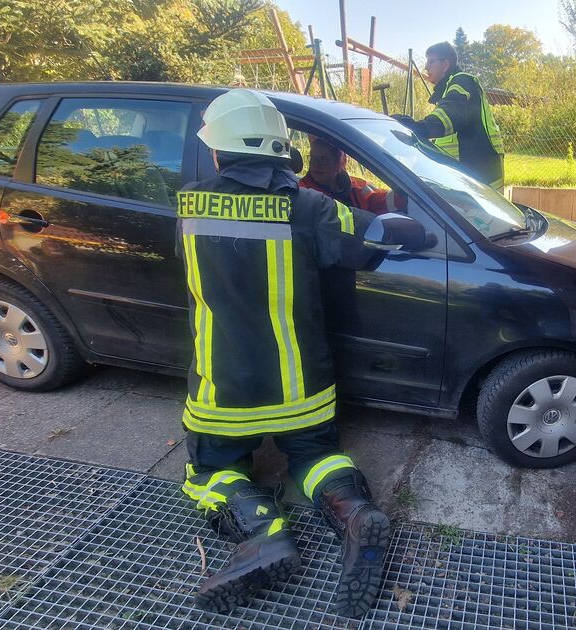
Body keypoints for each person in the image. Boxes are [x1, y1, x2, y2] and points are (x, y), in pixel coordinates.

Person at [175, 89, 424, 618]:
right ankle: (354, 513)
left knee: (209, 471)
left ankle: (263, 531)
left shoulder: (190, 207)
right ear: (282, 151)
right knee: (316, 456)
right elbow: (388, 235)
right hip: (301, 388)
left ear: (218, 152)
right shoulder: (312, 209)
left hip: (223, 391)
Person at [392, 41, 505, 191]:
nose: (426, 67)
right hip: (472, 174)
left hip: (479, 177)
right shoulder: (449, 88)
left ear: (445, 64)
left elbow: (449, 115)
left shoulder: (462, 82)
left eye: (431, 61)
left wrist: (418, 128)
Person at [299, 137, 391, 214]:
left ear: (339, 163)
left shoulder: (358, 186)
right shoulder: (303, 191)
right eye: (313, 158)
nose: (316, 164)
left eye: (323, 159)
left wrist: (402, 194)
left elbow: (382, 200)